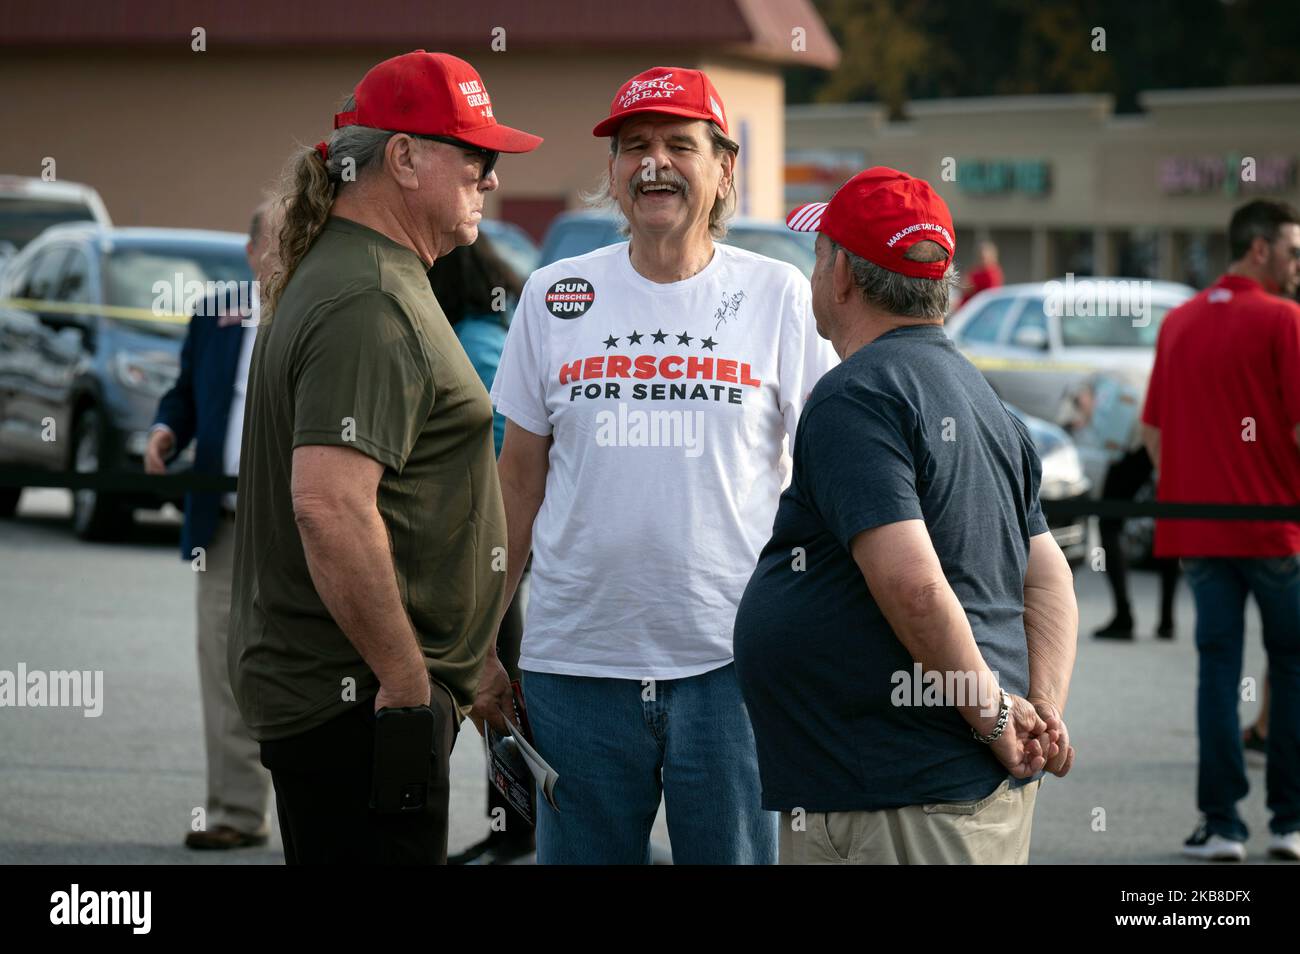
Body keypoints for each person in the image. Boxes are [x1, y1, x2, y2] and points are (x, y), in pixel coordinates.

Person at [484, 66, 838, 864]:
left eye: (681, 145)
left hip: (735, 666)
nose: (654, 163)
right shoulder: (553, 293)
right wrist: (482, 637)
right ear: (612, 173)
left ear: (724, 169)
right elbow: (517, 481)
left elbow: (827, 479)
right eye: (634, 146)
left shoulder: (778, 296)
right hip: (574, 669)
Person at [228, 50, 541, 865]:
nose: (492, 178)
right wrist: (408, 685)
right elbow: (328, 507)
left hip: (361, 697)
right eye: (476, 155)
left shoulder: (368, 274)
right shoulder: (369, 295)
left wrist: (465, 668)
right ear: (401, 157)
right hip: (359, 704)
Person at [733, 167, 1078, 865]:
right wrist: (1036, 708)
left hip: (899, 802)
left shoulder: (856, 396)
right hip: (930, 793)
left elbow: (915, 588)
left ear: (842, 278)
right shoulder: (983, 400)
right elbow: (1050, 577)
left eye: (821, 253)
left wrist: (996, 716)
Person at [1142, 198, 1300, 862]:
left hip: (1199, 533)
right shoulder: (1286, 320)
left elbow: (1152, 434)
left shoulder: (1178, 322)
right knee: (1290, 671)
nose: (1299, 265)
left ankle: (1223, 824)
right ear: (1259, 249)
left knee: (1216, 672)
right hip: (1276, 535)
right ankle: (1288, 824)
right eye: (1294, 252)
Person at [145, 202, 276, 850]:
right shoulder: (217, 312)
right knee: (223, 664)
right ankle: (235, 811)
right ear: (252, 253)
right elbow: (186, 396)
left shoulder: (324, 312)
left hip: (305, 532)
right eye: (275, 244)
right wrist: (168, 429)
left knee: (308, 669)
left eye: (298, 240)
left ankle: (330, 816)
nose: (286, 255)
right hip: (222, 529)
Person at [428, 237, 536, 865]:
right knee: (497, 695)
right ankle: (510, 831)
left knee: (496, 694)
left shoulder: (472, 337)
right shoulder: (494, 323)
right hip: (492, 545)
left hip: (483, 547)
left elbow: (504, 435)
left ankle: (514, 833)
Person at [959, 239, 1003, 307]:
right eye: (980, 257)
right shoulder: (977, 270)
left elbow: (968, 286)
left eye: (984, 257)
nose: (982, 260)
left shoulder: (991, 273)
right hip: (967, 308)